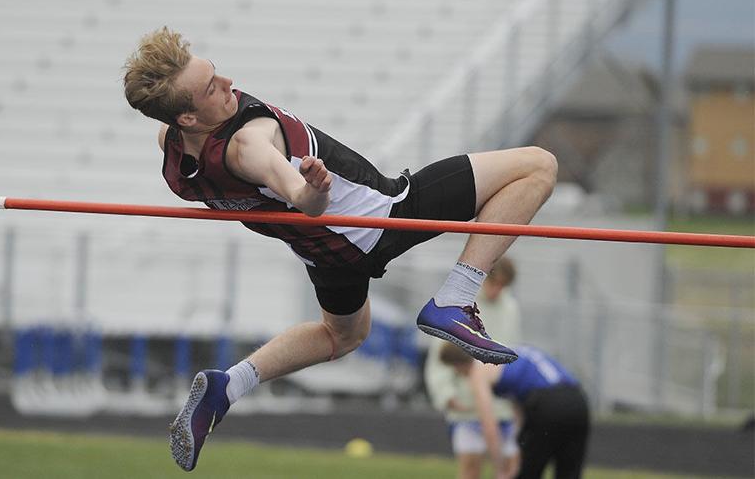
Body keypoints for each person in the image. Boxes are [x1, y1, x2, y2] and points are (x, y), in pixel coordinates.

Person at [122, 26, 558, 471]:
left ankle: (228, 386)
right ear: (187, 118)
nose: (228, 82)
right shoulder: (249, 144)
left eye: (216, 73)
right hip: (384, 217)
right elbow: (305, 201)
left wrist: (305, 197)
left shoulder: (171, 147)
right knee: (538, 166)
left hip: (326, 255)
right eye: (212, 88)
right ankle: (456, 297)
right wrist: (313, 188)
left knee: (343, 335)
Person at [425, 258, 522, 479]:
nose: (497, 291)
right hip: (467, 405)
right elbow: (440, 353)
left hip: (501, 405)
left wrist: (516, 397)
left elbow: (514, 350)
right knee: (470, 469)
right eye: (494, 283)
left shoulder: (511, 308)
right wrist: (445, 394)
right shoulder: (462, 303)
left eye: (503, 286)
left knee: (510, 470)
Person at [439, 343, 590, 479]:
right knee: (569, 472)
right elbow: (520, 414)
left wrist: (500, 468)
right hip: (578, 401)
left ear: (457, 365)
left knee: (528, 472)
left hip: (546, 403)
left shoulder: (479, 371)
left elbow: (489, 425)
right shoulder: (511, 353)